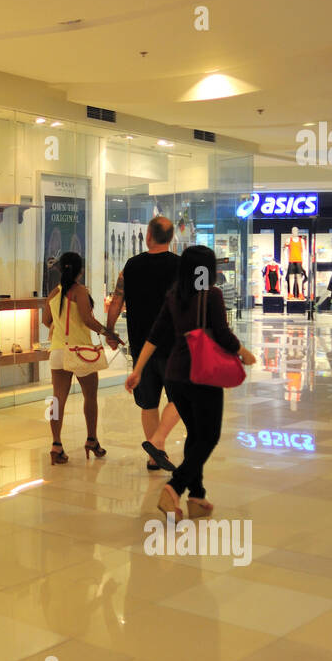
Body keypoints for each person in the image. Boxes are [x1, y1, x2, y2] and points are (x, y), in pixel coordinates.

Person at [125, 246, 256, 521]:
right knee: (209, 436)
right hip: (202, 374)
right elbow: (222, 334)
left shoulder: (173, 297)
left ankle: (197, 497)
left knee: (196, 435)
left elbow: (155, 335)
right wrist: (243, 352)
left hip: (177, 374)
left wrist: (137, 370)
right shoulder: (212, 296)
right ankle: (175, 487)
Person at [105, 216, 181, 473]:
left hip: (141, 345)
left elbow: (116, 300)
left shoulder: (131, 266)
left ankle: (154, 454)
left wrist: (110, 330)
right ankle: (157, 443)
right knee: (180, 397)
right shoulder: (180, 266)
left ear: (148, 236)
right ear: (171, 238)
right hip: (173, 345)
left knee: (148, 402)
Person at [43, 251, 119, 464]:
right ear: (80, 270)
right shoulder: (80, 291)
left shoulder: (53, 294)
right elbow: (87, 319)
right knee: (90, 397)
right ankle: (92, 439)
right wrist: (107, 332)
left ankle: (56, 444)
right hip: (80, 351)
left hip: (58, 351)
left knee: (57, 399)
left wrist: (60, 330)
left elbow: (46, 320)